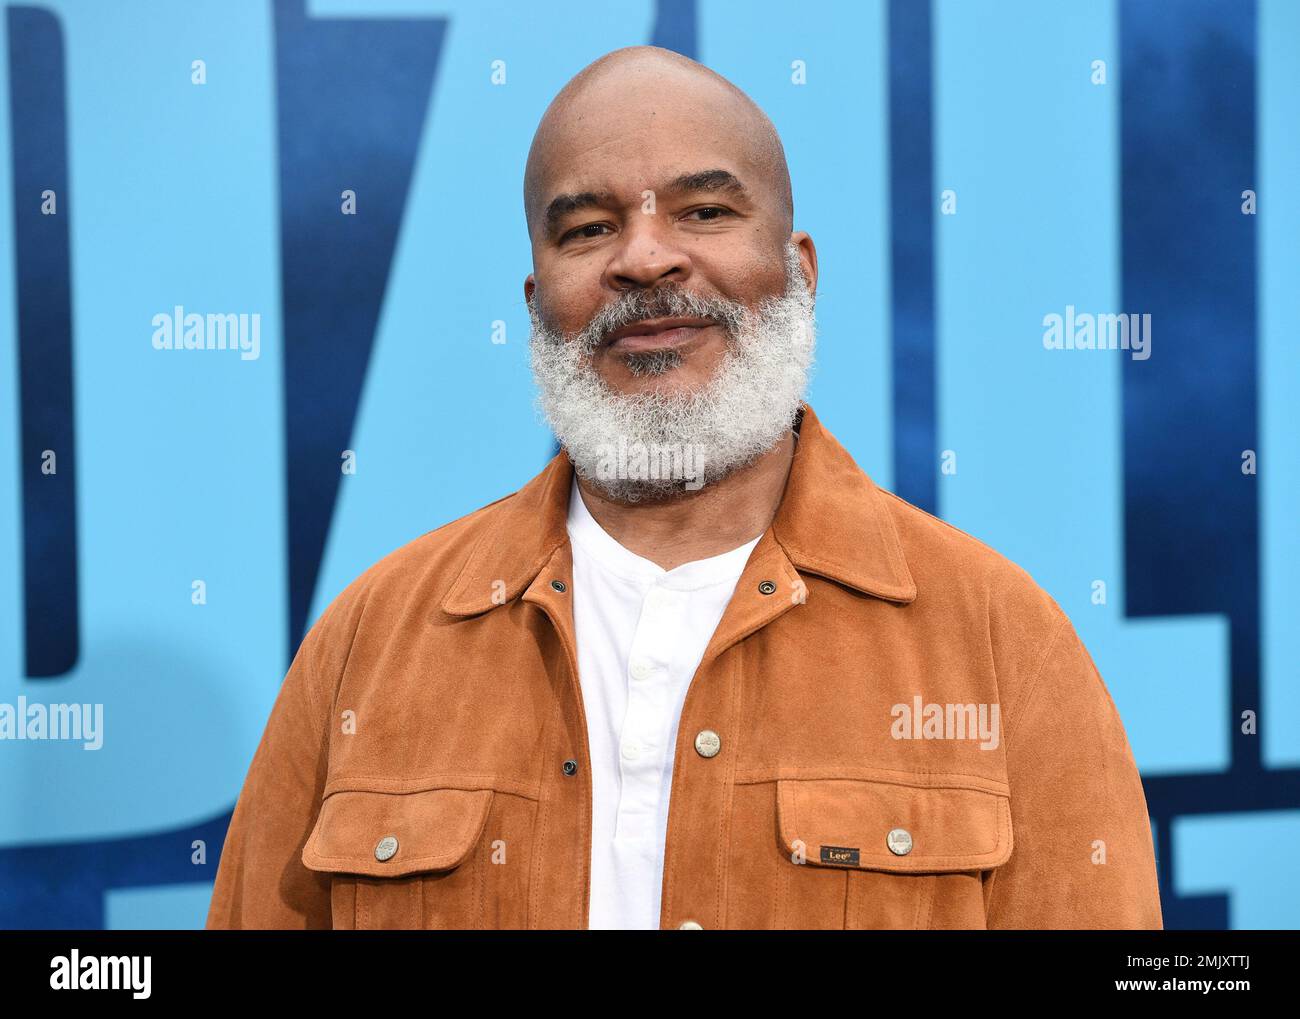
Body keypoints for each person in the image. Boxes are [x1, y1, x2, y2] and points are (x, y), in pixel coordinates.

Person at [206, 45, 1162, 930]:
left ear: (800, 272)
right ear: (538, 305)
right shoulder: (370, 643)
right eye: (588, 227)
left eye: (704, 211)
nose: (646, 258)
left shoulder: (1002, 641)